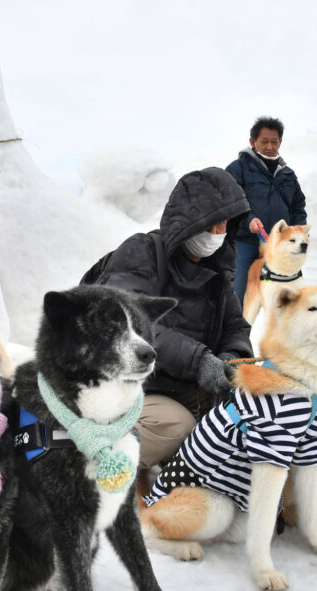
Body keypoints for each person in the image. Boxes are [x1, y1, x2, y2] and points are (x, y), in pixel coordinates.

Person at [98, 167, 254, 468]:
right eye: (212, 222)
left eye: (225, 224)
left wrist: (232, 356)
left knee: (248, 421)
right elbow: (129, 321)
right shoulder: (142, 251)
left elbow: (235, 326)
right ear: (190, 220)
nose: (218, 232)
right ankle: (91, 458)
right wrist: (200, 362)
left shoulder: (216, 274)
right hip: (127, 384)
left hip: (184, 388)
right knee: (176, 427)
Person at [226, 116, 307, 304]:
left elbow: (298, 206)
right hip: (245, 241)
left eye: (274, 141)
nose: (270, 146)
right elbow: (230, 201)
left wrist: (298, 230)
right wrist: (248, 220)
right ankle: (232, 321)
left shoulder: (288, 174)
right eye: (264, 141)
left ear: (280, 142)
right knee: (238, 289)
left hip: (280, 245)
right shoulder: (238, 168)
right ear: (252, 141)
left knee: (289, 294)